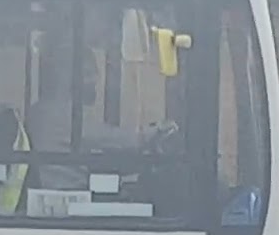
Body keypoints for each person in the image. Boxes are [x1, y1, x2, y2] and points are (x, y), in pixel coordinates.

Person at [26, 31, 175, 190]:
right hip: (69, 195)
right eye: (89, 73)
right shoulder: (67, 114)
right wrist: (155, 131)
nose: (95, 80)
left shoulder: (38, 111)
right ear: (69, 76)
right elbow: (118, 141)